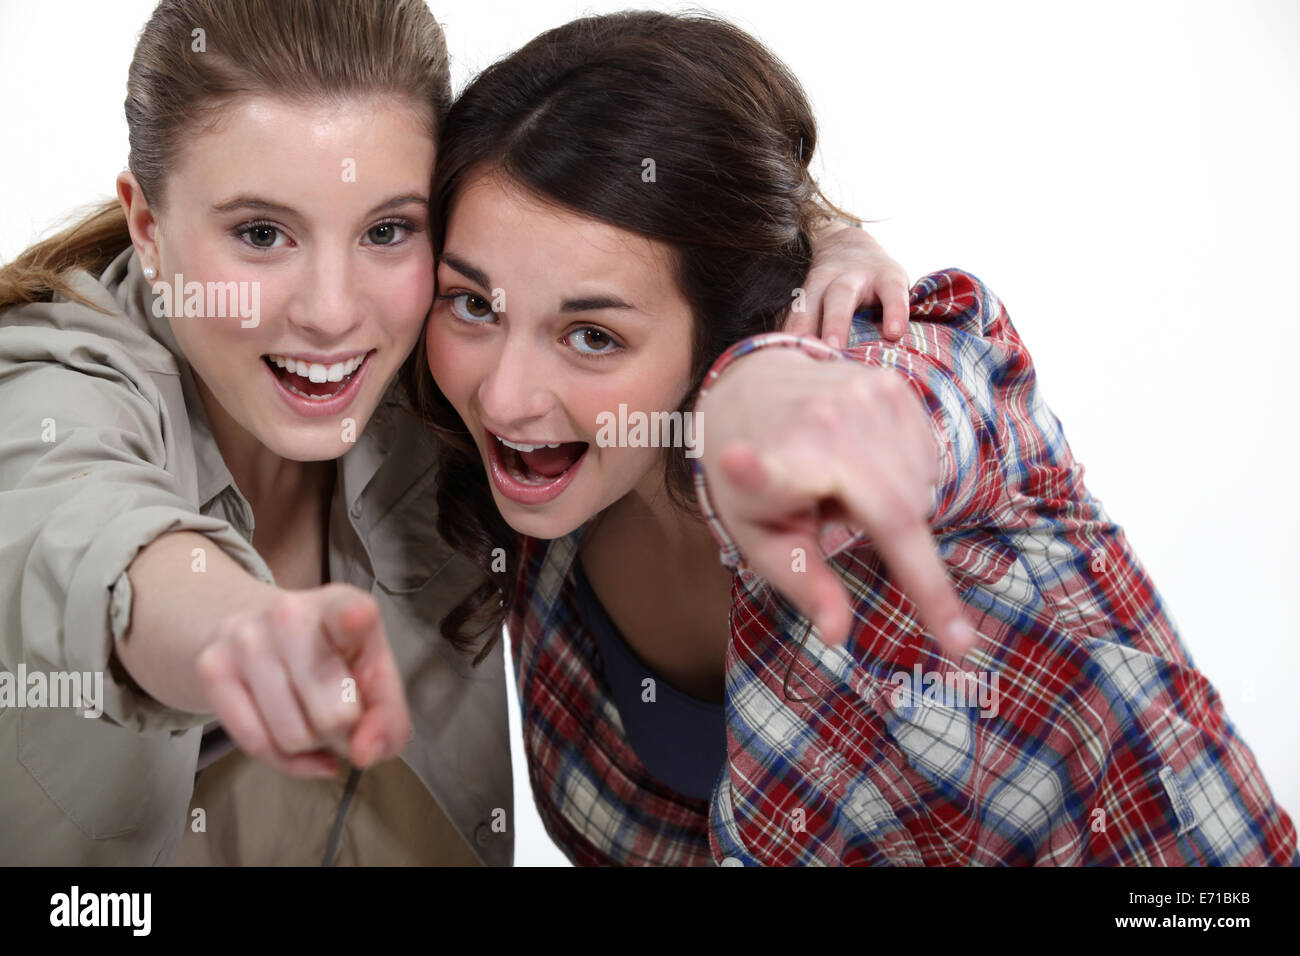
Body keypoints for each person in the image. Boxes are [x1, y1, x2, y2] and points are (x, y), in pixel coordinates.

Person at [0, 0, 908, 865]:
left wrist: (821, 236)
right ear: (148, 228)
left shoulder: (455, 377)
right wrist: (236, 631)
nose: (331, 313)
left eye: (387, 230)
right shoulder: (48, 388)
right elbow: (84, 531)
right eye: (263, 234)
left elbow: (641, 199)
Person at [409, 9, 1300, 865]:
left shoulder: (894, 370)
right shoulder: (537, 509)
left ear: (722, 326)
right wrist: (820, 223)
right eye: (473, 304)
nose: (506, 395)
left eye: (593, 336)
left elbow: (923, 408)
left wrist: (775, 403)